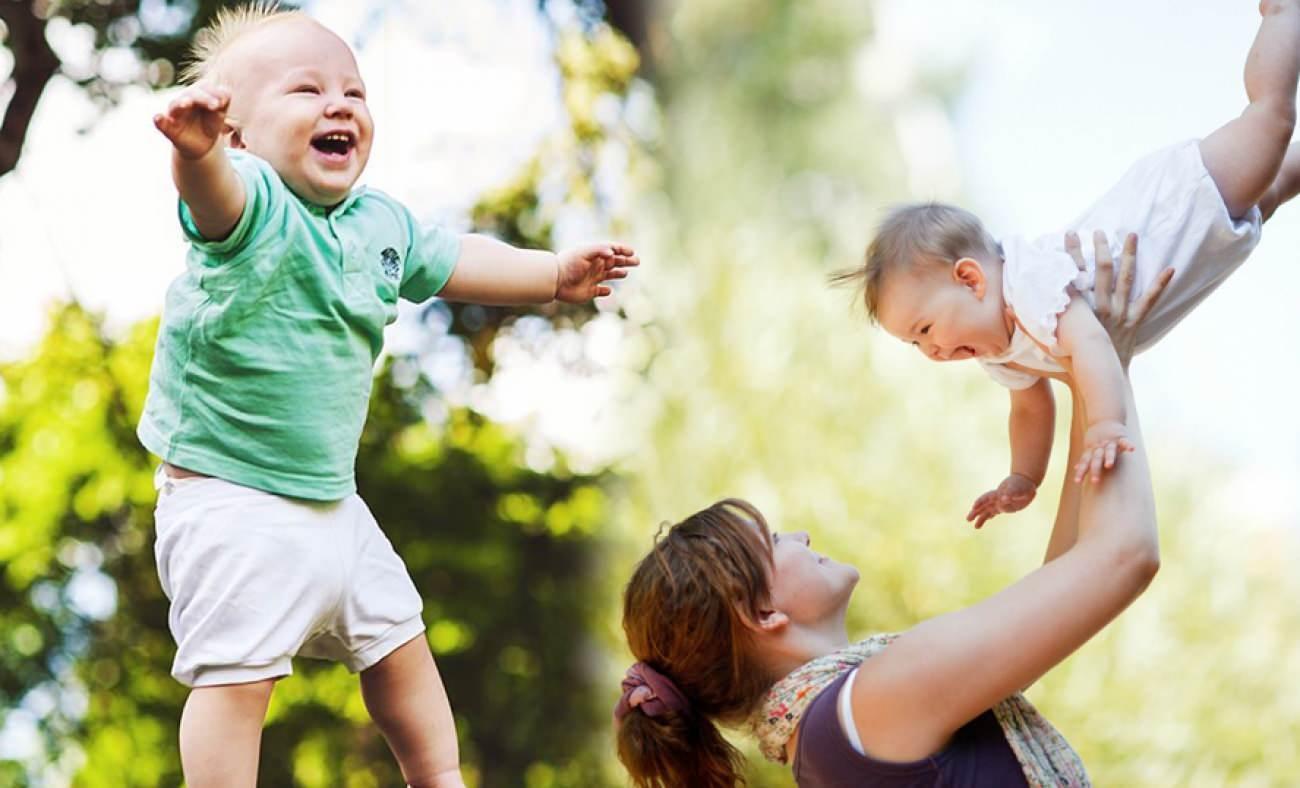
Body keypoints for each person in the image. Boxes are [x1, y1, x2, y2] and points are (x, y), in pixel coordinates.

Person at [142, 4, 638, 786]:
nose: (339, 104)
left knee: (399, 640)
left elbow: (458, 258)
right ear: (239, 136)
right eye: (305, 91)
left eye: (354, 91)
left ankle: (438, 778)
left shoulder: (379, 223)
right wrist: (196, 154)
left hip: (334, 504)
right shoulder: (253, 209)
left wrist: (552, 276)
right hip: (232, 503)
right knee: (239, 677)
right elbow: (212, 197)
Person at [614, 237, 1164, 787]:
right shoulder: (864, 708)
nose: (801, 536)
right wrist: (1105, 360)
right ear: (761, 614)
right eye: (775, 540)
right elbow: (1123, 556)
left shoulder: (830, 741)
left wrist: (1089, 382)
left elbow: (1065, 580)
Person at [834, 0, 1300, 527]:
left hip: (1178, 207)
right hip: (1197, 248)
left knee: (1270, 120)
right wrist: (1023, 477)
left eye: (925, 328)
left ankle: (1281, 15)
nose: (930, 350)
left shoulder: (1027, 286)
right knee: (1278, 182)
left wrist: (1104, 423)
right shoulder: (1000, 354)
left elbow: (1089, 343)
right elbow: (1031, 410)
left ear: (970, 278)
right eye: (914, 344)